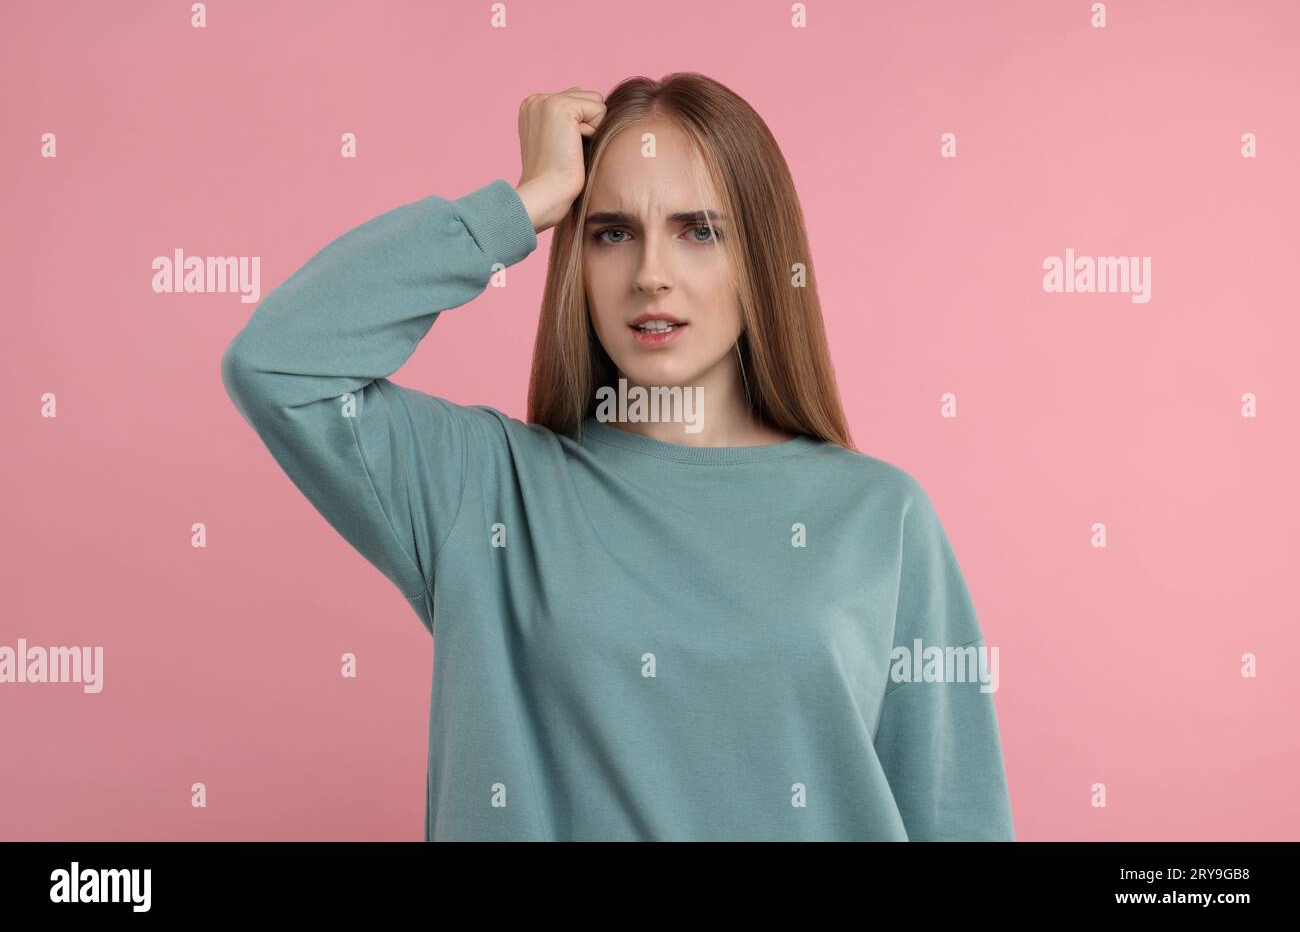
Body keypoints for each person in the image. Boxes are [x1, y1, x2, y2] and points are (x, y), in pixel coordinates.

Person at [220, 72, 1015, 841]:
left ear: (763, 262)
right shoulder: (485, 493)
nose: (651, 276)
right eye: (611, 233)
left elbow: (955, 817)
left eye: (699, 230)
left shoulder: (882, 516)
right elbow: (279, 362)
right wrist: (520, 207)